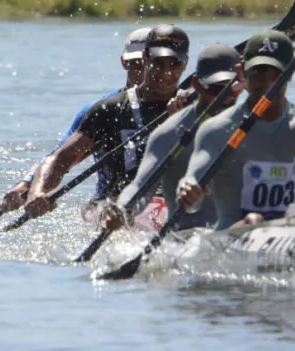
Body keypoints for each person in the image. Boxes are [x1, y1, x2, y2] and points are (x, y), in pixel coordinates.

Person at [175, 29, 295, 230]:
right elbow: (193, 185)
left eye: (276, 75)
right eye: (258, 72)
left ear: (290, 74)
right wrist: (187, 190)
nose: (267, 82)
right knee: (253, 220)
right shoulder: (217, 129)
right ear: (243, 72)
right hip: (234, 235)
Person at [22, 24, 190, 218]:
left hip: (172, 206)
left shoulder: (196, 109)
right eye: (158, 62)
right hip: (113, 209)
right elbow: (60, 160)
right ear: (145, 58)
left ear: (185, 65)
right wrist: (36, 192)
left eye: (174, 64)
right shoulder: (109, 110)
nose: (165, 72)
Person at [0, 26, 150, 214]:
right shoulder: (102, 111)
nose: (143, 71)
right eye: (135, 64)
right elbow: (60, 157)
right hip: (108, 208)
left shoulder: (185, 108)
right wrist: (27, 187)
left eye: (150, 63)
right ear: (123, 62)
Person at [101, 43, 244, 233]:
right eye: (216, 90)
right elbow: (140, 186)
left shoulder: (254, 127)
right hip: (187, 235)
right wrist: (122, 209)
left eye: (232, 90)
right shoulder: (168, 133)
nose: (226, 99)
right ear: (196, 85)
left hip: (242, 231)